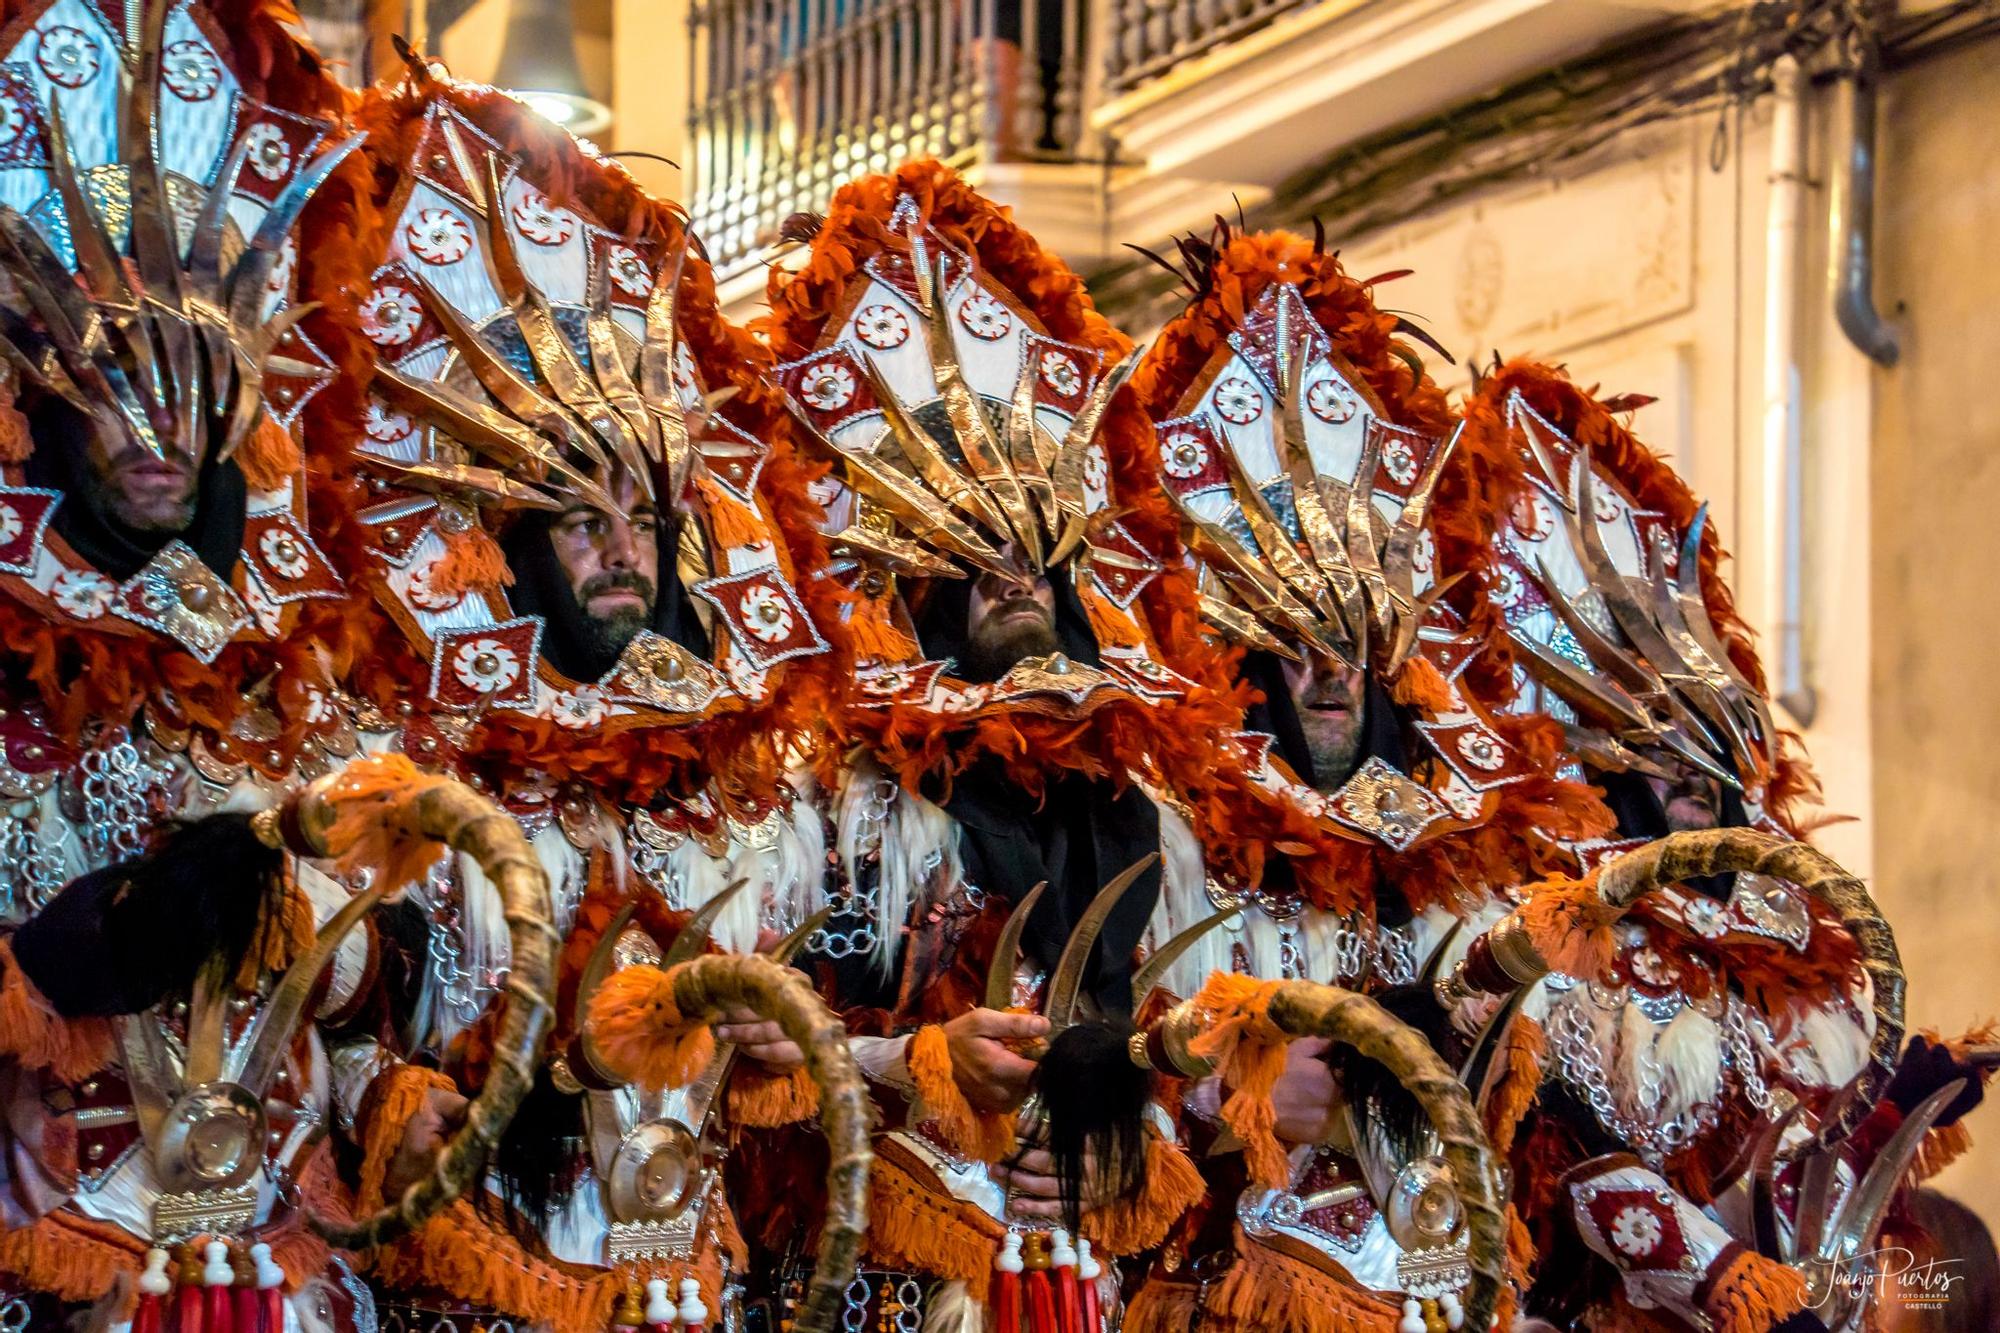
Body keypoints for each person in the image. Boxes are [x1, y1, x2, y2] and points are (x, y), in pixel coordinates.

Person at [319, 61, 843, 1331]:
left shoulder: (749, 797)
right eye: (575, 520)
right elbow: (334, 1032)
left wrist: (791, 1056)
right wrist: (419, 1098)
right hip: (472, 1284)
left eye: (643, 519)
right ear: (508, 540)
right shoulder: (406, 776)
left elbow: (792, 1053)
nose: (620, 552)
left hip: (695, 1289)